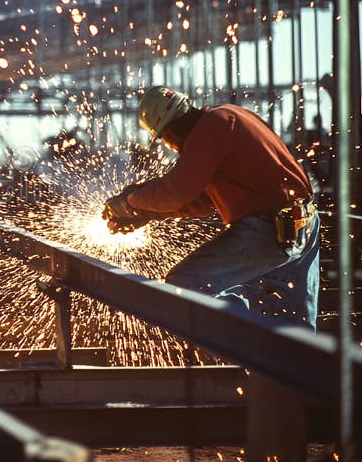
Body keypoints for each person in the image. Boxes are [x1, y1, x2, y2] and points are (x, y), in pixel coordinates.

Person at [103, 85, 320, 330]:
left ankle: (252, 335)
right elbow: (203, 200)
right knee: (292, 331)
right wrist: (149, 214)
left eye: (165, 140)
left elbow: (177, 190)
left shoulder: (211, 128)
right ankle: (275, 353)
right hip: (301, 224)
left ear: (170, 130)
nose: (171, 147)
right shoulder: (229, 115)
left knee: (184, 288)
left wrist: (129, 201)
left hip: (267, 232)